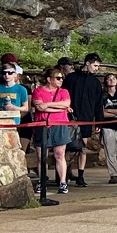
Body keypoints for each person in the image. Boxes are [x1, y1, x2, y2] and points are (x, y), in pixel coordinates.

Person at [64, 53, 106, 186]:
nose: (96, 68)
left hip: (87, 117)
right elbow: (64, 94)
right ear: (87, 63)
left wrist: (99, 121)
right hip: (70, 117)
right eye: (95, 65)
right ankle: (64, 174)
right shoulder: (71, 78)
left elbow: (98, 103)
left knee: (83, 147)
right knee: (67, 147)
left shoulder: (95, 83)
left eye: (98, 66)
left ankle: (81, 175)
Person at [31, 66, 74, 194]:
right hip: (42, 124)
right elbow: (39, 107)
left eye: (62, 78)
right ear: (49, 79)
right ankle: (42, 180)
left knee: (60, 154)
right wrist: (59, 108)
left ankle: (62, 182)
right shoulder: (38, 91)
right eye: (58, 78)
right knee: (41, 155)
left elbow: (66, 104)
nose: (61, 80)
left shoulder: (63, 91)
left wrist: (48, 105)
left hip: (59, 124)